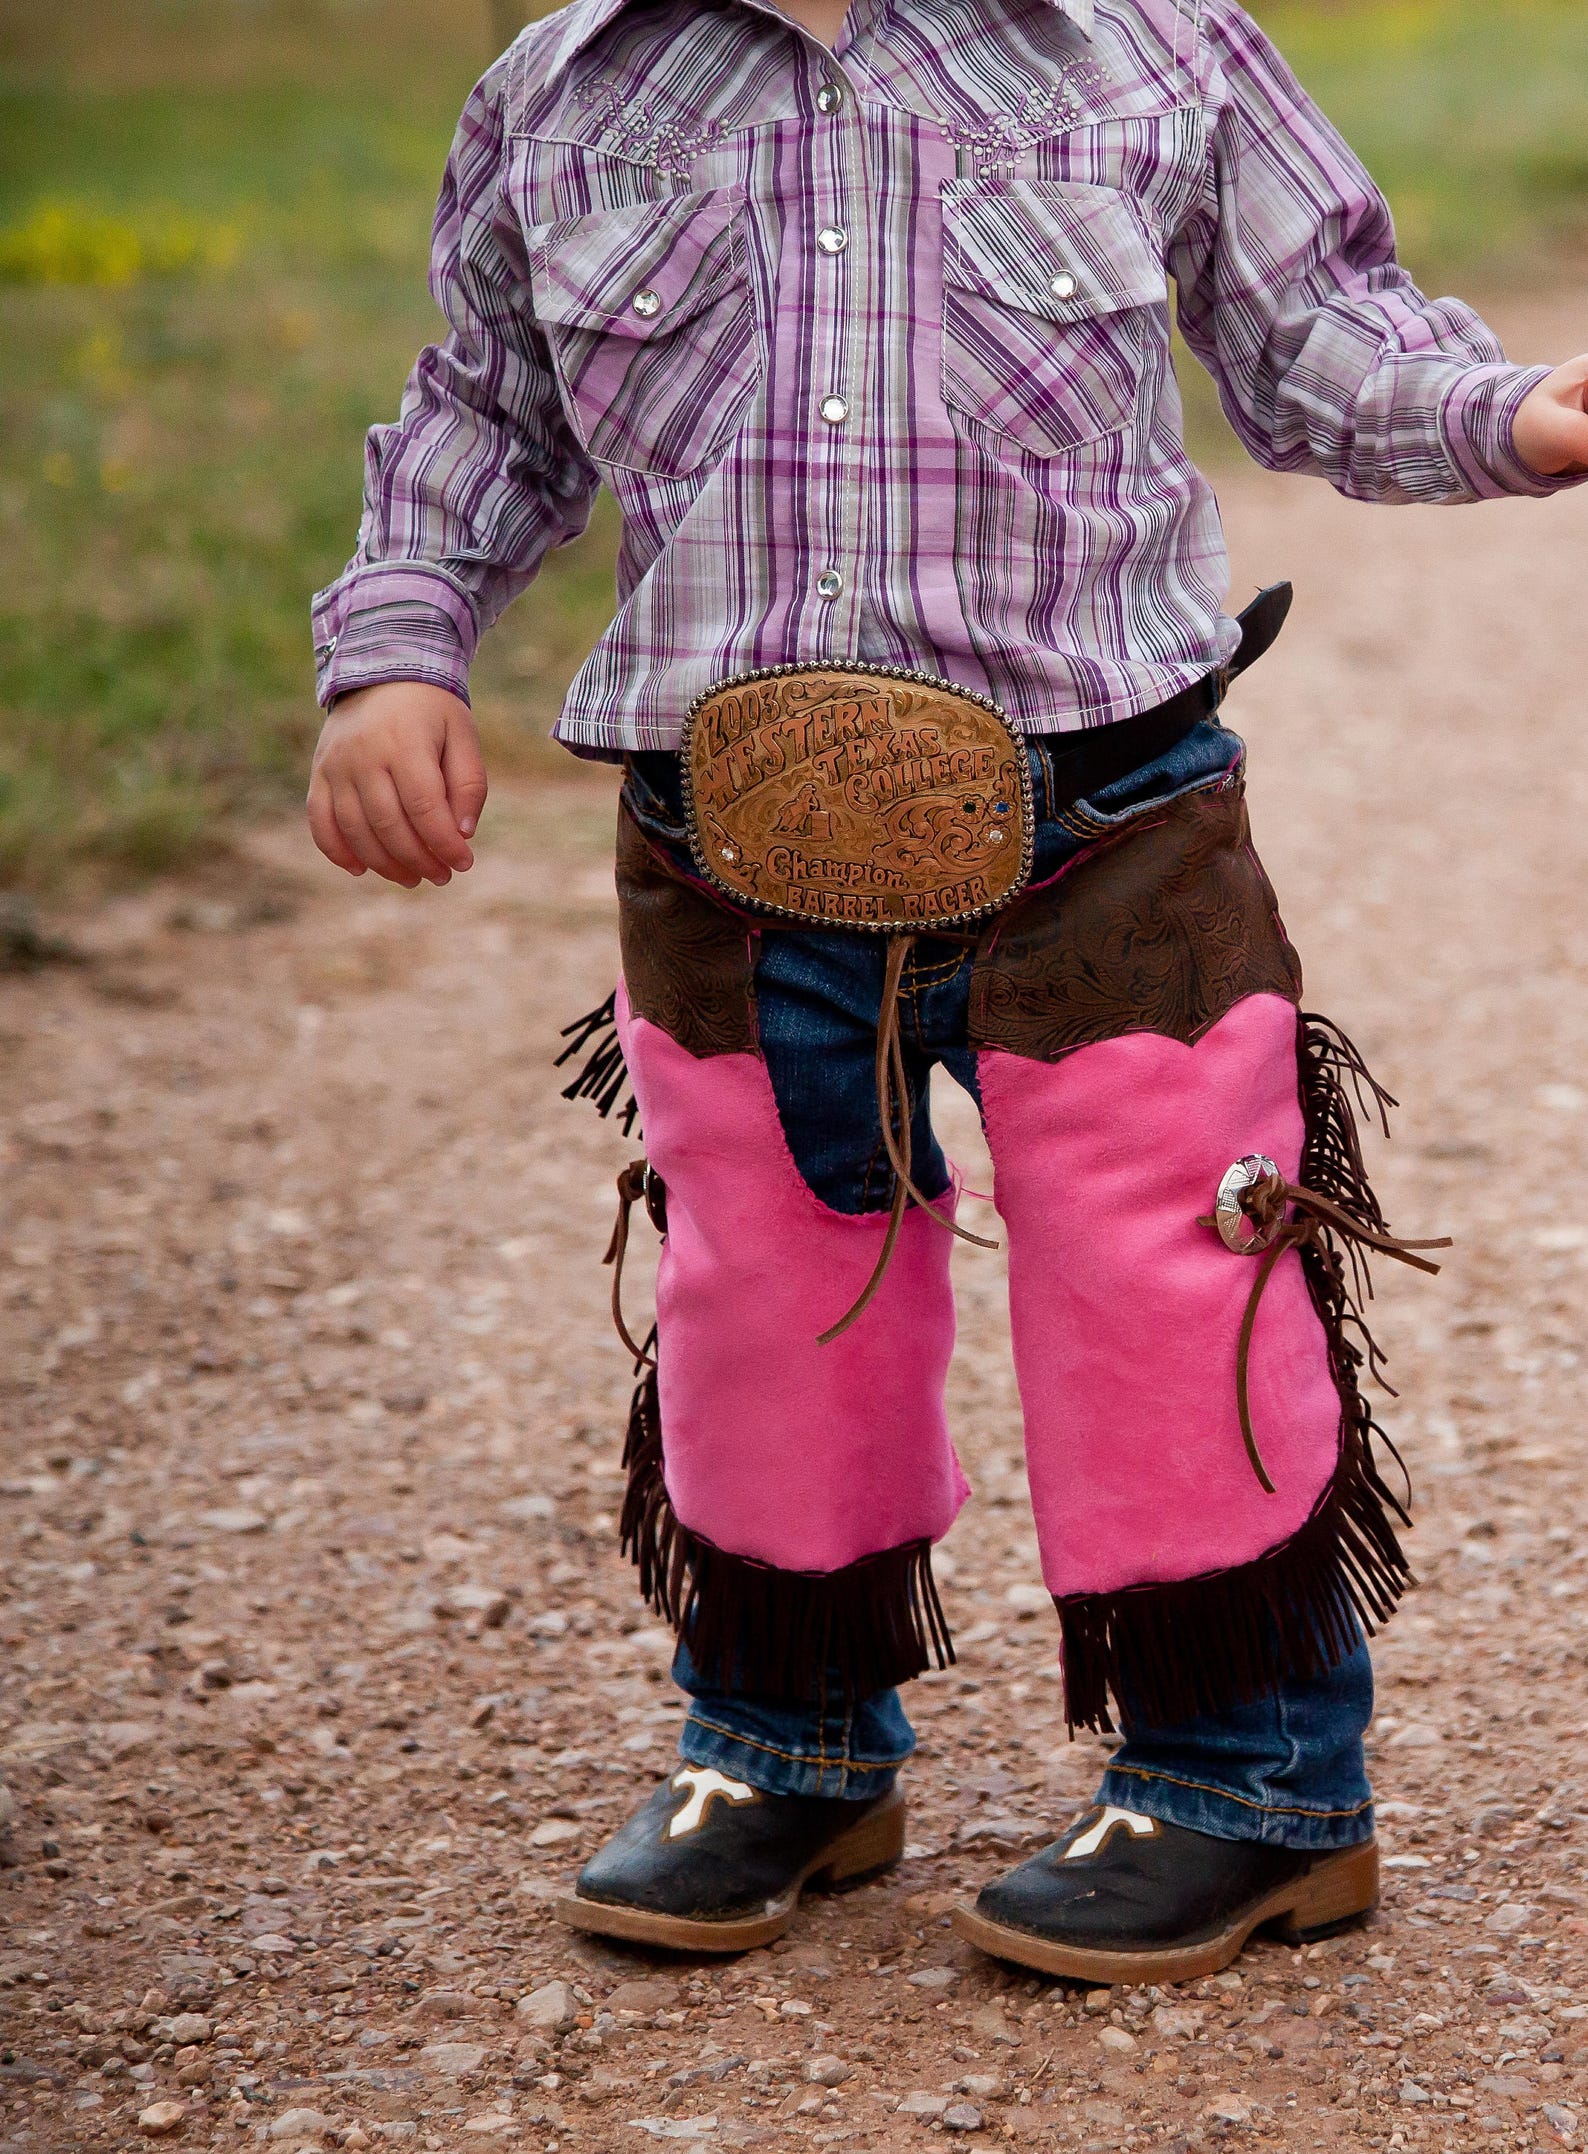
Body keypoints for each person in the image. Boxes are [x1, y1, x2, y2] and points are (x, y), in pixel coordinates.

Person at [307, 0, 1588, 1984]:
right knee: (767, 1293)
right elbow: (481, 413)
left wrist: (1503, 414)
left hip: (1105, 817)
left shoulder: (1150, 51)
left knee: (1174, 1280)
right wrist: (397, 647)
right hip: (726, 827)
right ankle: (785, 1742)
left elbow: (1320, 336)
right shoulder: (558, 91)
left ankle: (1246, 1785)